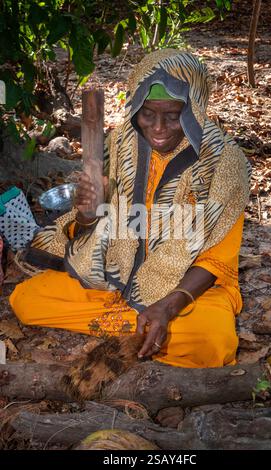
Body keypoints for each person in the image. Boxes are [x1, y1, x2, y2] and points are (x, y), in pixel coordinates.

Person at [10, 49, 251, 368]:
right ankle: (144, 324)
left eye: (173, 114)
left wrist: (168, 306)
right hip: (119, 275)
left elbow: (216, 261)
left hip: (187, 288)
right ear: (135, 106)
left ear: (195, 108)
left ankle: (152, 321)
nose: (159, 128)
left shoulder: (224, 165)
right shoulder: (121, 145)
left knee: (213, 338)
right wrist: (86, 213)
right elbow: (93, 233)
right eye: (148, 113)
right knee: (26, 301)